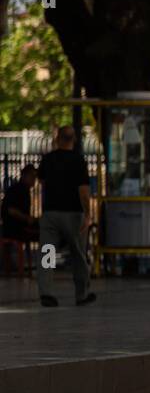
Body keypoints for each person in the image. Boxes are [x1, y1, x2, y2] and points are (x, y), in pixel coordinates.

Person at [34, 127, 95, 307]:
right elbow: (83, 191)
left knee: (48, 253)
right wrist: (88, 215)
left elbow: (42, 181)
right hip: (73, 215)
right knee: (78, 255)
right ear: (74, 139)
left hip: (50, 214)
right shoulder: (78, 161)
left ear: (57, 138)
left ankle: (46, 292)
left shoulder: (48, 159)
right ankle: (81, 294)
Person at [1, 164, 39, 274]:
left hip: (15, 227)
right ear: (24, 176)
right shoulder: (18, 190)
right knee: (47, 235)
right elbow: (11, 210)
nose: (34, 180)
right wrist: (27, 219)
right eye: (32, 177)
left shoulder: (23, 190)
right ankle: (47, 266)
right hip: (16, 228)